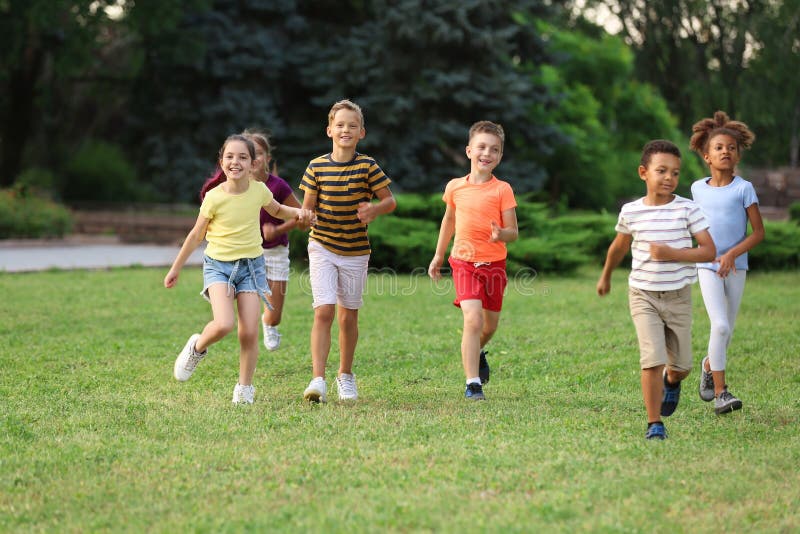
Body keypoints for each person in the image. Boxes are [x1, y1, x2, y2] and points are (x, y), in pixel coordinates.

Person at [165, 134, 313, 404]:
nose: (236, 162)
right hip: (219, 268)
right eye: (230, 157)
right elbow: (196, 235)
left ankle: (244, 388)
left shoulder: (259, 190)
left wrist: (299, 213)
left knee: (249, 331)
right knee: (223, 324)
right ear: (221, 162)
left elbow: (278, 210)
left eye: (243, 157)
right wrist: (176, 268)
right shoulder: (213, 197)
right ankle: (197, 347)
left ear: (253, 162)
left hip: (251, 268)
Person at [596, 139, 716, 440]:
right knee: (652, 358)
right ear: (643, 172)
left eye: (675, 173)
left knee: (683, 366)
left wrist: (672, 253)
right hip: (643, 294)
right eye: (661, 170)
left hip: (678, 296)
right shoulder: (631, 212)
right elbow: (618, 248)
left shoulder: (688, 210)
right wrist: (606, 276)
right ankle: (654, 423)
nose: (669, 178)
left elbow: (708, 251)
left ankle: (672, 382)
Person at [299, 99, 396, 403]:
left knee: (347, 317)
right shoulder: (316, 166)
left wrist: (374, 209)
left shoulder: (367, 166)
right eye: (340, 125)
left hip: (355, 251)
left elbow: (390, 201)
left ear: (361, 132)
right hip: (322, 247)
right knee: (324, 310)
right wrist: (306, 217)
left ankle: (345, 375)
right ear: (329, 130)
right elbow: (307, 210)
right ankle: (318, 380)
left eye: (352, 125)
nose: (346, 130)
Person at [428, 121, 518, 401]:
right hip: (464, 262)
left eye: (494, 149)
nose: (487, 153)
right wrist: (438, 255)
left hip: (494, 265)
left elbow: (513, 232)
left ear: (500, 157)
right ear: (469, 151)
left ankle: (476, 351)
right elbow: (449, 220)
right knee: (473, 319)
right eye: (481, 147)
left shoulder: (503, 190)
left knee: (489, 326)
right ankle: (472, 383)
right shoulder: (455, 187)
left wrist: (500, 233)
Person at [689, 111, 764, 415]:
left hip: (736, 268)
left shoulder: (744, 189)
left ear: (738, 154)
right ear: (707, 155)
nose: (725, 152)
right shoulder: (697, 188)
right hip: (707, 266)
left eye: (731, 148)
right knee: (719, 325)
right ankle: (721, 393)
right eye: (719, 147)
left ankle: (708, 365)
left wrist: (732, 254)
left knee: (727, 332)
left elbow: (758, 232)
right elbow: (694, 225)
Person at [245, 130, 302, 351]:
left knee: (274, 315)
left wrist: (278, 229)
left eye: (258, 153)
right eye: (248, 154)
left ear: (267, 158)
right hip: (245, 253)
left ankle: (269, 324)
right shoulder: (234, 186)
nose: (254, 158)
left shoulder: (278, 186)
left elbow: (300, 215)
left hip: (275, 253)